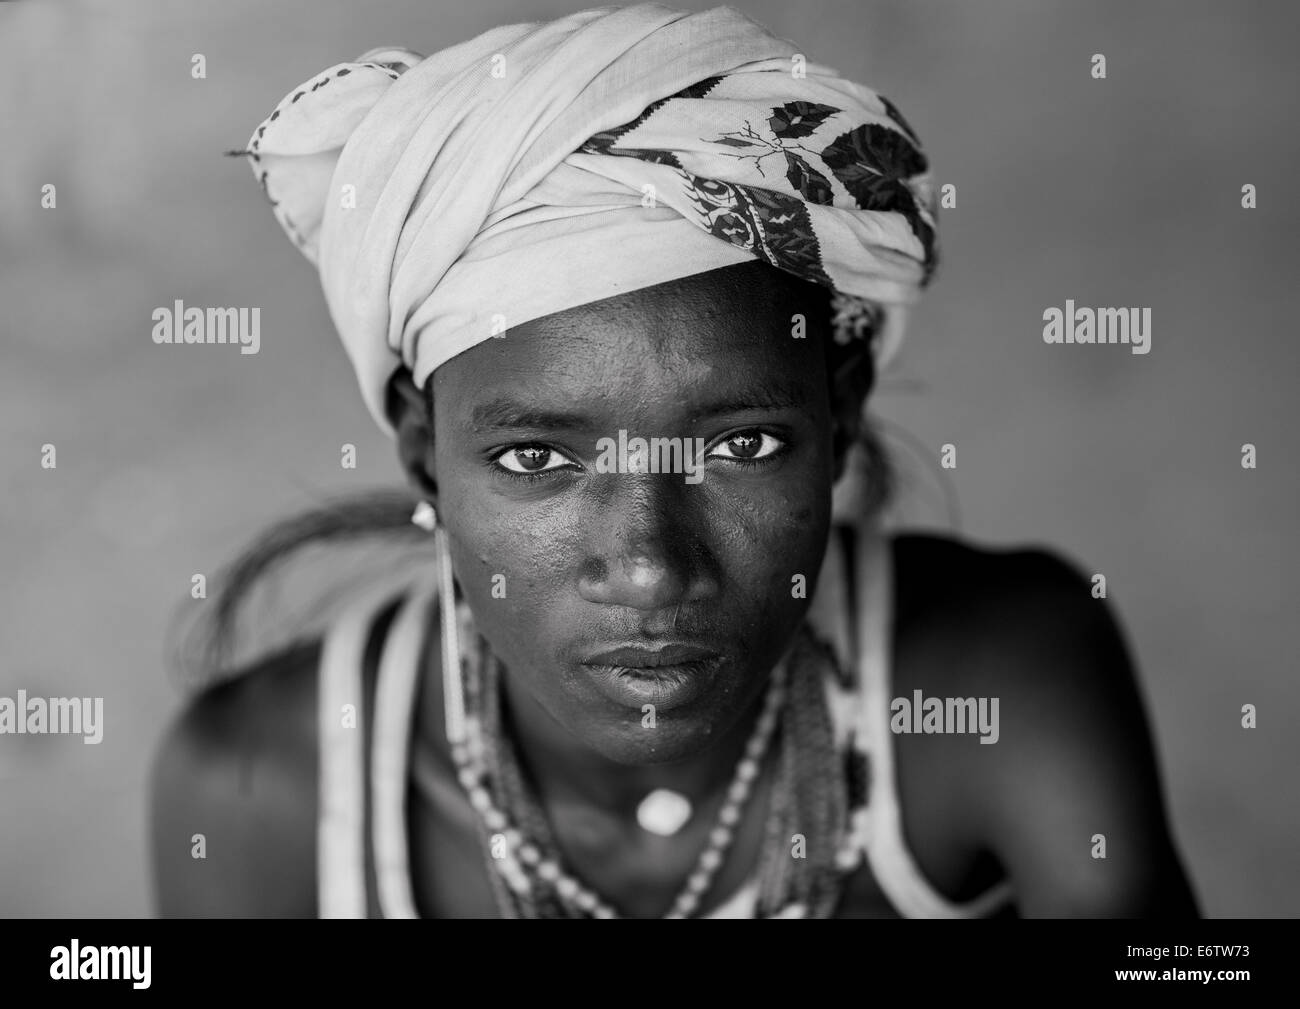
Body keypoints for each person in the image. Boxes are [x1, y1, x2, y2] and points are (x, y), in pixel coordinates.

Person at [150, 3, 1198, 918]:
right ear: (425, 454)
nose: (649, 565)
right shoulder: (264, 787)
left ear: (840, 411)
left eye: (740, 444)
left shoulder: (997, 681)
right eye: (534, 458)